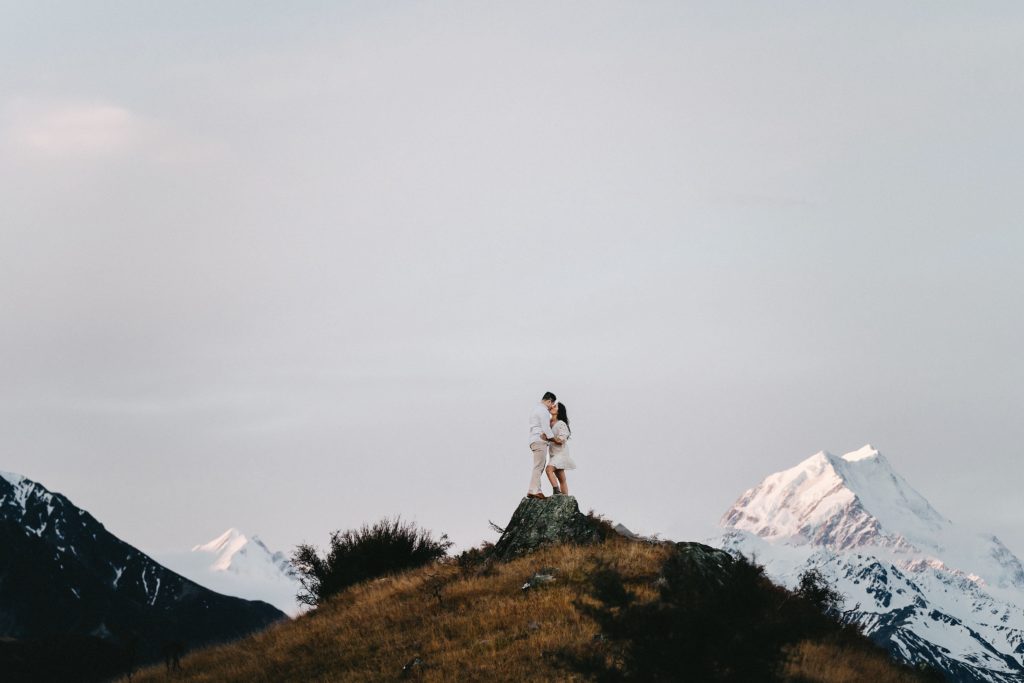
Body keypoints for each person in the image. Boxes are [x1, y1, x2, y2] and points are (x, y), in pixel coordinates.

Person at [527, 392, 557, 499]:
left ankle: (533, 489)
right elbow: (546, 428)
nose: (551, 407)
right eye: (551, 404)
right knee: (539, 466)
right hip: (540, 440)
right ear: (549, 401)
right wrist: (555, 440)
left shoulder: (536, 409)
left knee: (538, 465)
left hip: (533, 439)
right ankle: (535, 490)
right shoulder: (543, 410)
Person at [544, 402, 575, 495]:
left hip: (560, 454)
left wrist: (550, 438)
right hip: (553, 454)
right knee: (561, 478)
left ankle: (556, 491)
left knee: (549, 470)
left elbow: (561, 440)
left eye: (555, 406)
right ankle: (565, 499)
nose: (552, 406)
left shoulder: (561, 424)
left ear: (559, 411)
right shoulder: (549, 422)